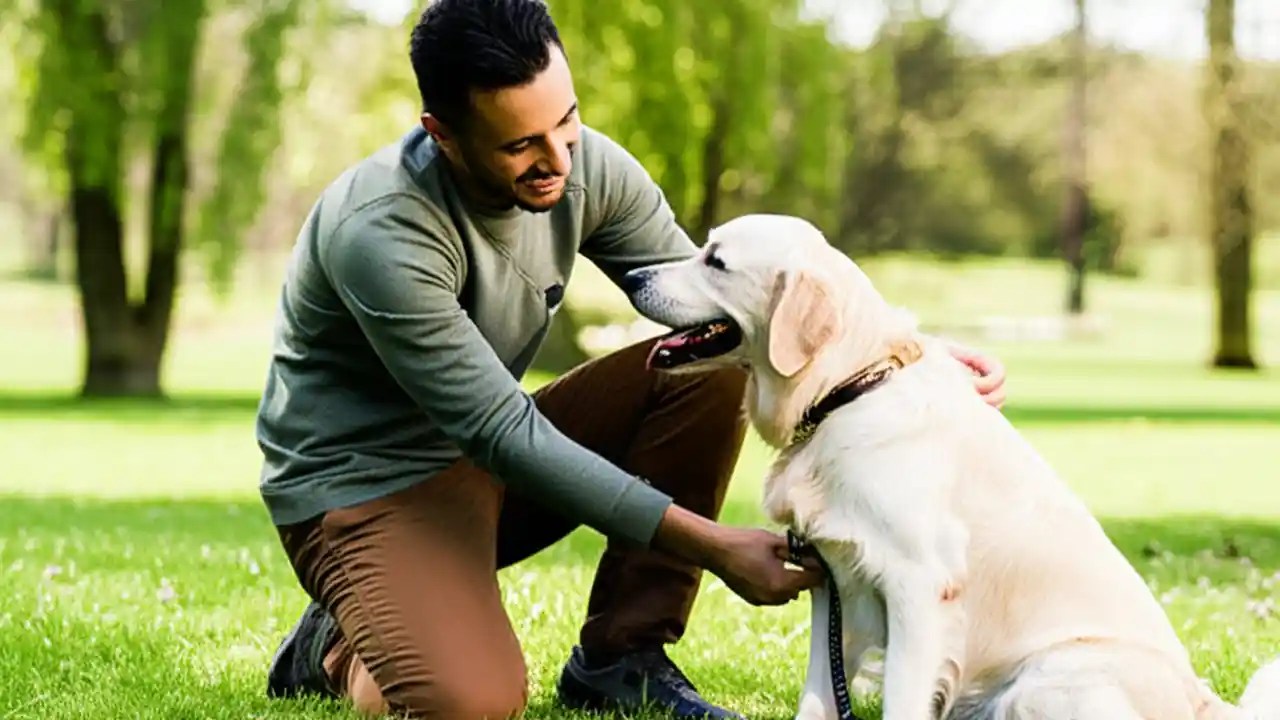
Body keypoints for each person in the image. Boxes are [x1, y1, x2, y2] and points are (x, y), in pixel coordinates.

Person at [255, 1, 1008, 718]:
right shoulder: (381, 232)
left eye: (567, 121)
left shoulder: (584, 165)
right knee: (471, 702)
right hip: (365, 490)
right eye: (520, 145)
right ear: (443, 135)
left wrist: (907, 351)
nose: (557, 160)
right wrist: (716, 548)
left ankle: (623, 658)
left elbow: (728, 305)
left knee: (707, 361)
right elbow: (505, 436)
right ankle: (332, 642)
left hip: (486, 458)